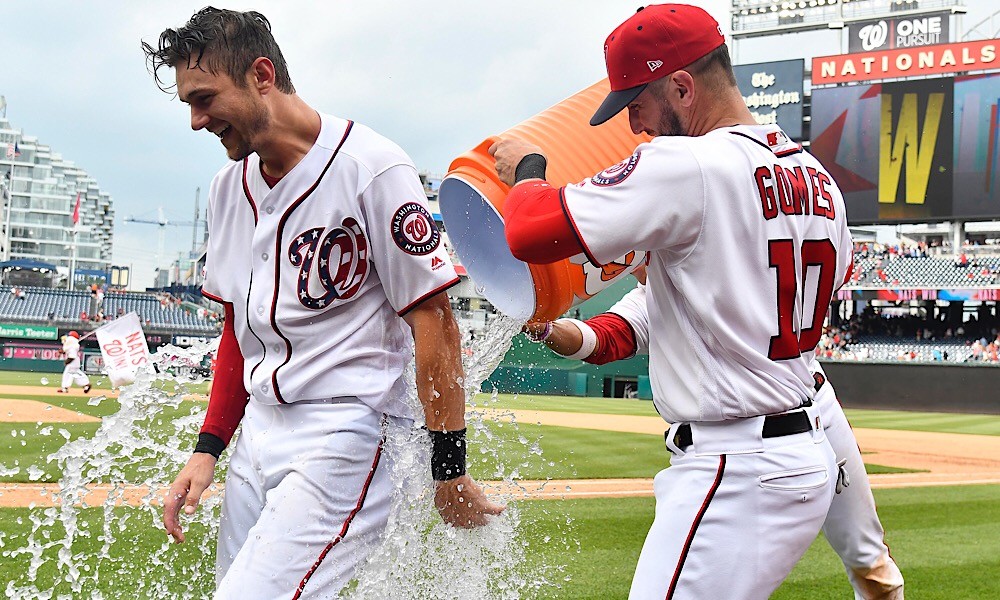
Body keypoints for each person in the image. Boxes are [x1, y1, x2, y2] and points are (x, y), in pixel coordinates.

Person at [491, 5, 851, 597]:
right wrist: (557, 328)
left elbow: (529, 229)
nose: (634, 125)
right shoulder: (815, 175)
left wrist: (529, 168)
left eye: (638, 104)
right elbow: (645, 321)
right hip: (792, 451)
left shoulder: (690, 165)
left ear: (682, 86)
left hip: (736, 466)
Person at [143, 8, 502, 598]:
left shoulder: (371, 166)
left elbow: (434, 323)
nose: (195, 119)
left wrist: (450, 467)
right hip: (258, 430)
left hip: (346, 427)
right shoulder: (227, 188)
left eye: (204, 98)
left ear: (261, 74)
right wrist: (209, 448)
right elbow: (239, 328)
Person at [526, 269, 903, 599]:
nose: (634, 266)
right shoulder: (654, 296)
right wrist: (546, 328)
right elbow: (604, 337)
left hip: (816, 408)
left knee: (872, 563)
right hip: (766, 438)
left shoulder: (721, 260)